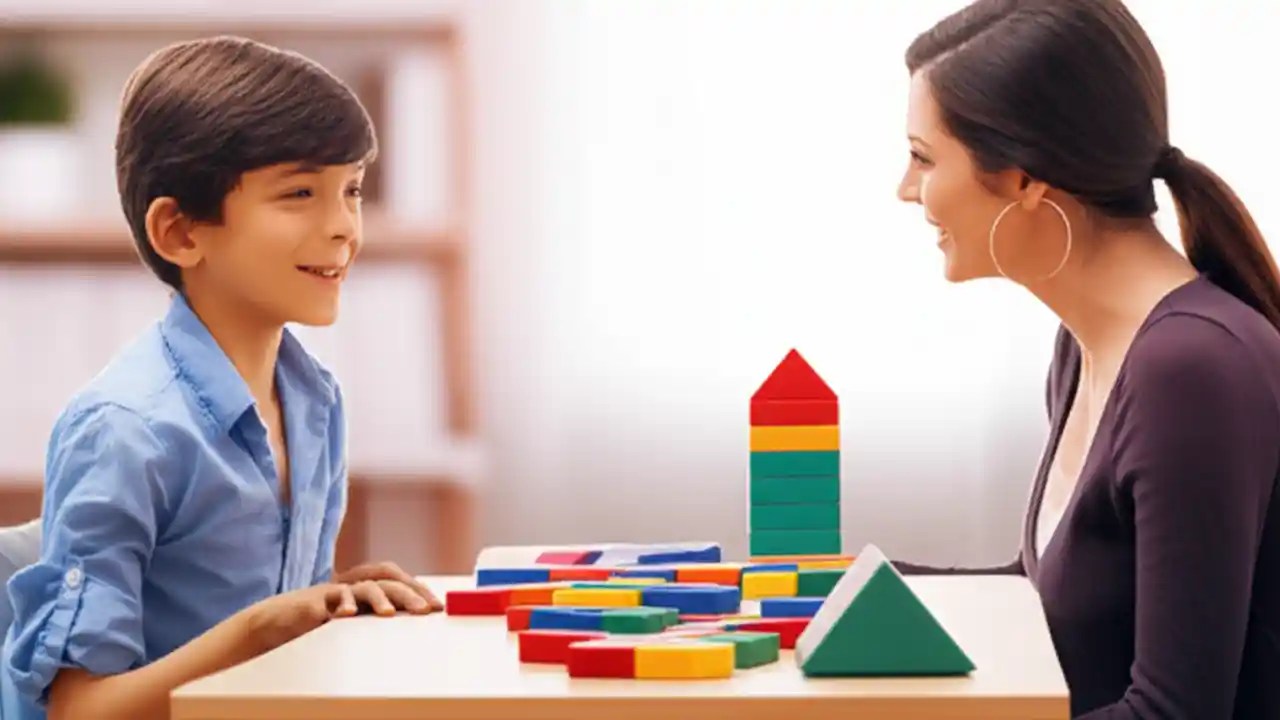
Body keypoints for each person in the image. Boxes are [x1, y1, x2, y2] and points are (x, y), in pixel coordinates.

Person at [1, 36, 443, 720]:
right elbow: (79, 710)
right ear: (179, 232)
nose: (343, 229)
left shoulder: (313, 401)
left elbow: (270, 640)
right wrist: (255, 631)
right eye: (300, 193)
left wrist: (329, 606)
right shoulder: (126, 431)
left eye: (351, 191)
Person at [892, 1, 1280, 717]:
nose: (906, 189)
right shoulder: (1086, 344)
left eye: (923, 157)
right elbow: (1053, 602)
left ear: (1022, 178)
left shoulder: (1191, 372)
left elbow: (1174, 712)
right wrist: (851, 584)